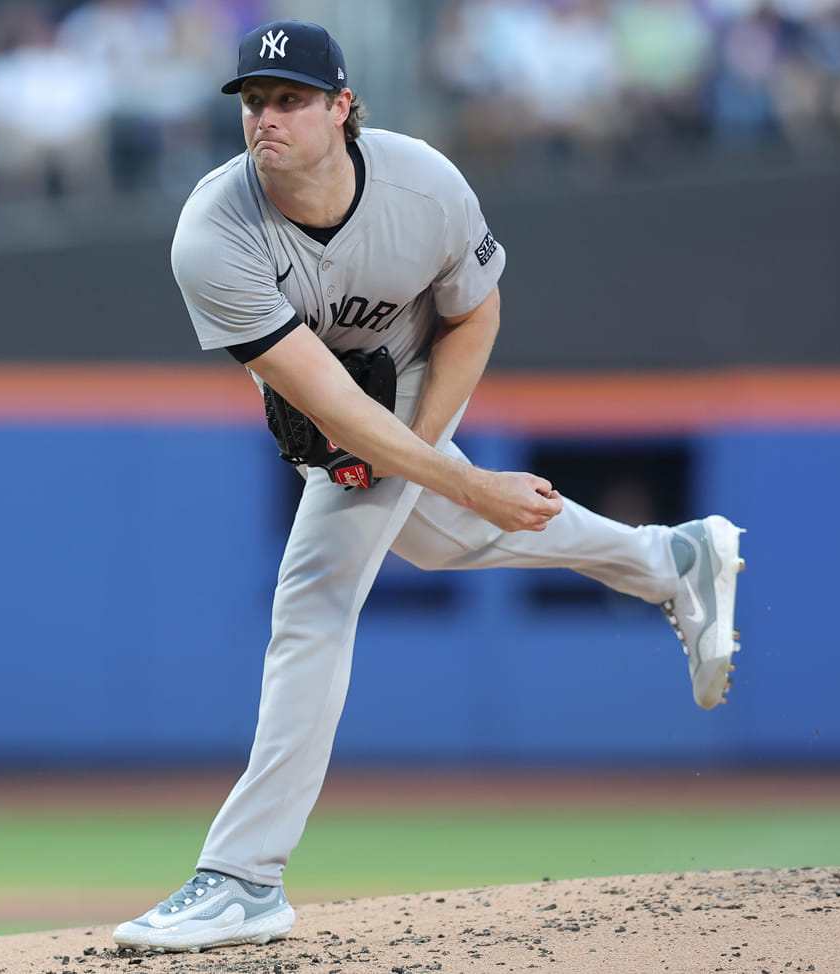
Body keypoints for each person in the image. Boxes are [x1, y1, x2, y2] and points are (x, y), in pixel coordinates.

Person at [112, 19, 746, 954]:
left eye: (290, 99)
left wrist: (436, 456)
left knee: (316, 595)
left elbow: (475, 314)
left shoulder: (423, 184)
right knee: (444, 536)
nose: (266, 118)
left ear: (342, 106)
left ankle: (244, 876)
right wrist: (459, 486)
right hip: (341, 400)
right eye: (253, 101)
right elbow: (329, 402)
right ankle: (669, 559)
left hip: (415, 372)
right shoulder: (213, 232)